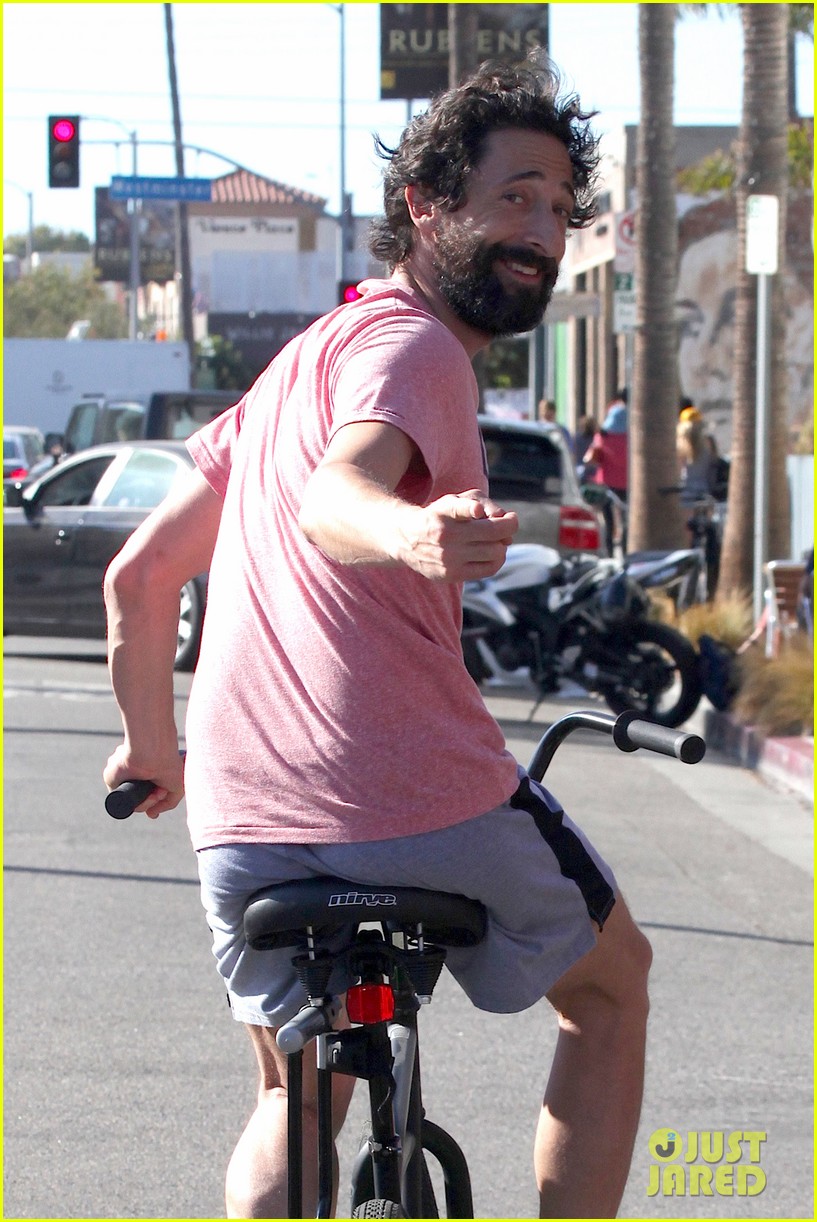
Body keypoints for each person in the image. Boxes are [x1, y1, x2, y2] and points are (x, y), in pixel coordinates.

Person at [104, 55, 651, 1221]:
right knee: (611, 988)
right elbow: (335, 499)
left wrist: (153, 751)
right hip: (418, 801)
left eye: (559, 208)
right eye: (514, 197)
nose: (543, 232)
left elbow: (139, 579)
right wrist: (413, 537)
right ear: (426, 206)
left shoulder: (284, 376)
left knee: (295, 1099)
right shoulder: (418, 351)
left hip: (245, 829)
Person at [583, 391, 628, 555]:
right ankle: (625, 551)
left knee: (609, 522)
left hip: (607, 483)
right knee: (625, 520)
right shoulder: (632, 436)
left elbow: (590, 458)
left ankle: (609, 554)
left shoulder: (602, 436)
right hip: (627, 483)